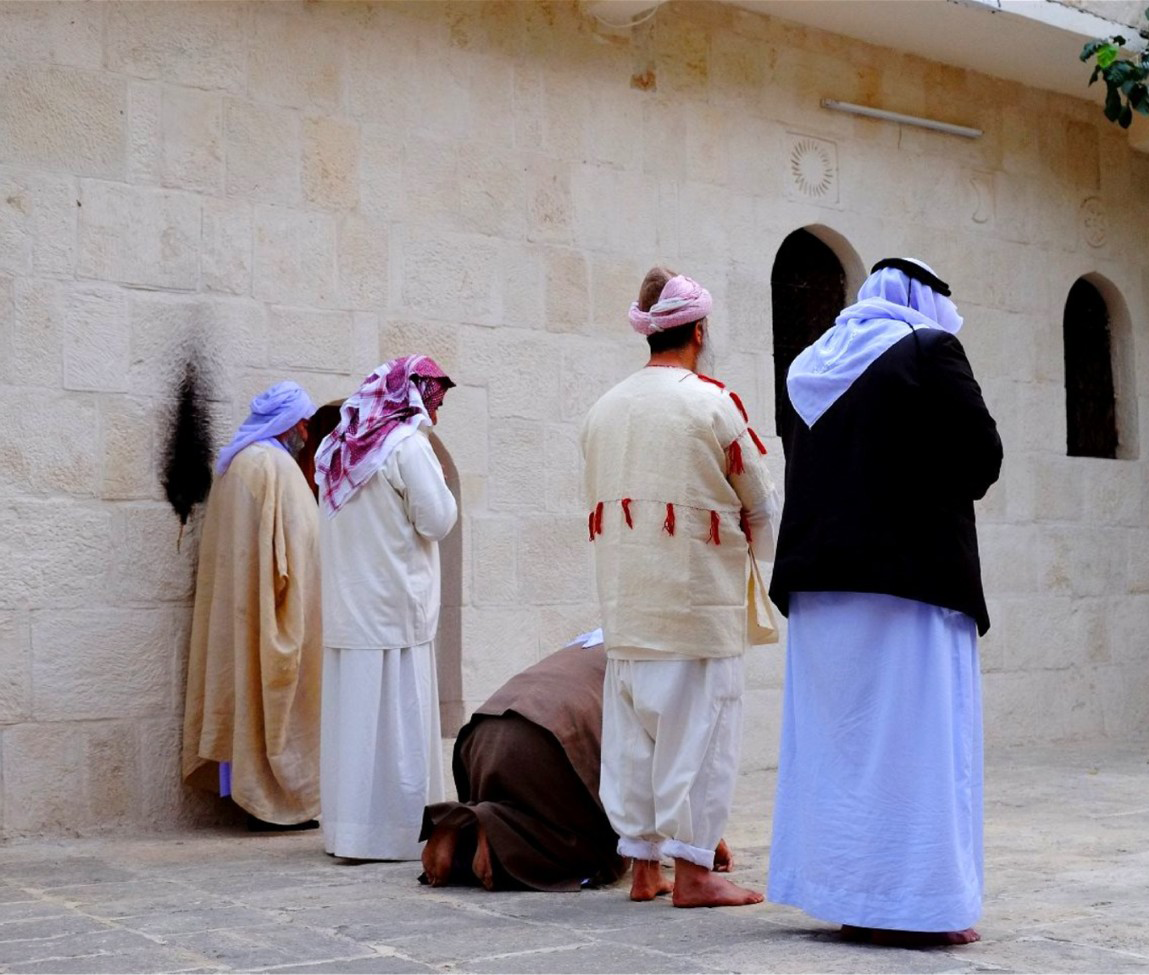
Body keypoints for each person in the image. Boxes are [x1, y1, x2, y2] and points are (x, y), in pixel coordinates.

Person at [768, 258, 1002, 947]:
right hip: (912, 584)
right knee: (919, 747)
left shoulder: (811, 364)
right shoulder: (931, 348)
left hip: (821, 590)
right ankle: (924, 906)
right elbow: (983, 457)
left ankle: (852, 897)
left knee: (841, 749)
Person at [580, 268, 779, 908]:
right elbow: (760, 499)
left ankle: (643, 869)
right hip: (697, 605)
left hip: (628, 603)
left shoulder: (604, 408)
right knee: (704, 737)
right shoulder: (710, 403)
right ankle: (695, 874)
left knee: (635, 737)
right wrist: (773, 564)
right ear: (698, 330)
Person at [419, 630, 736, 892]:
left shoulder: (601, 637)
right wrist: (702, 840)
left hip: (483, 733)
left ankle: (466, 825)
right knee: (599, 852)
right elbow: (674, 751)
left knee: (533, 805)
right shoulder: (663, 652)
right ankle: (493, 831)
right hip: (549, 743)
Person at [315, 355, 457, 861]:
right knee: (397, 723)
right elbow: (437, 520)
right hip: (394, 607)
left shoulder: (338, 447)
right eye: (434, 401)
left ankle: (349, 834)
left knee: (355, 725)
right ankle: (394, 835)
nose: (436, 414)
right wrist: (438, 476)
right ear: (414, 396)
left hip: (350, 609)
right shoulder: (406, 447)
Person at [182, 381, 322, 829]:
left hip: (238, 609)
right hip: (267, 606)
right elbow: (297, 550)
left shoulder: (236, 464)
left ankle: (244, 794)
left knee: (242, 687)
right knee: (269, 694)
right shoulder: (274, 467)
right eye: (302, 420)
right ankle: (273, 801)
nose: (305, 428)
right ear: (289, 424)